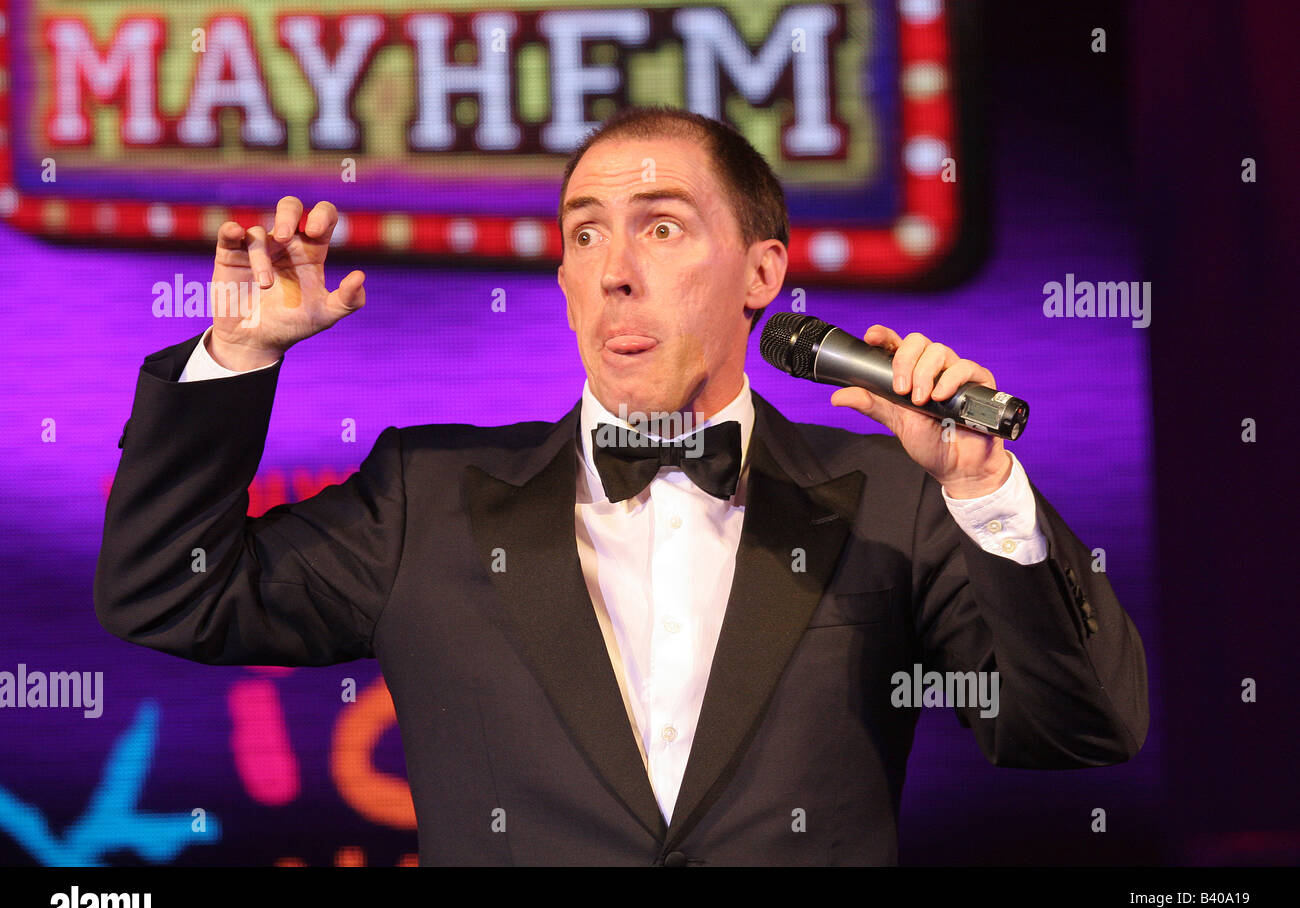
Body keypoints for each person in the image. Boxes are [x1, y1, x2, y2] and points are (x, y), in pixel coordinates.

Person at [95, 106, 1148, 865]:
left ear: (762, 274)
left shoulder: (893, 496)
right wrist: (237, 357)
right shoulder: (428, 492)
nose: (613, 270)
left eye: (660, 225)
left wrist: (982, 489)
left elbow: (1076, 729)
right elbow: (167, 592)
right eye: (586, 232)